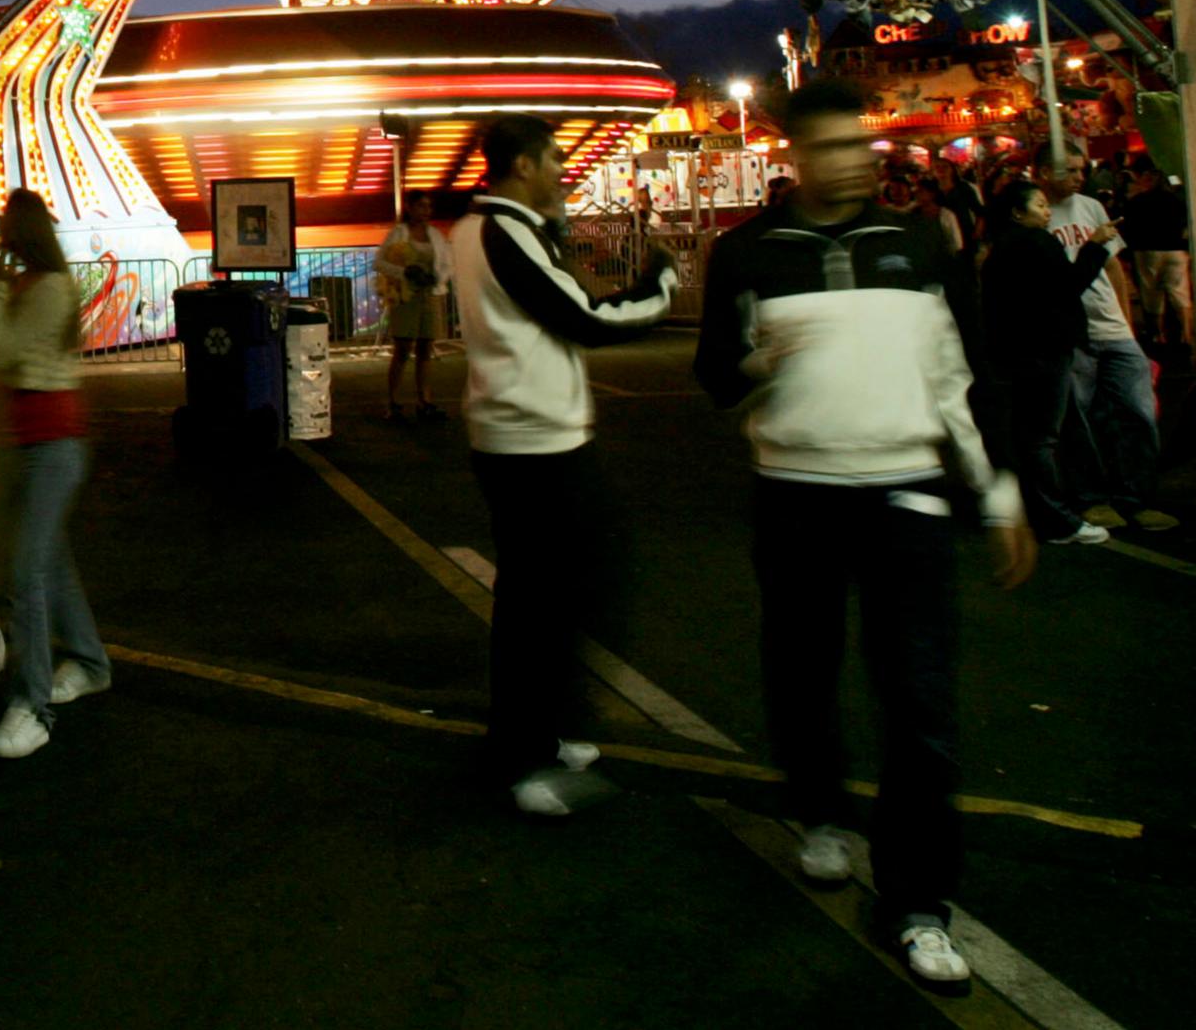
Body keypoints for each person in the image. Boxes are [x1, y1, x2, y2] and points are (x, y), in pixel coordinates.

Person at [695, 79, 1035, 994]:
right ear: (794, 155)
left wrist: (999, 497)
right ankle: (819, 813)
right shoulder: (746, 254)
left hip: (906, 495)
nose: (853, 159)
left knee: (919, 702)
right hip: (794, 493)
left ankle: (920, 903)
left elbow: (964, 373)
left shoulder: (922, 242)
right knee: (801, 665)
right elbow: (716, 378)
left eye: (861, 144)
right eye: (832, 145)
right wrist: (762, 359)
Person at [446, 114, 678, 818]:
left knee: (547, 591)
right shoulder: (502, 230)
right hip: (534, 443)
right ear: (520, 165)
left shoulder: (477, 228)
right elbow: (583, 318)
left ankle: (537, 734)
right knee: (548, 596)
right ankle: (525, 755)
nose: (561, 173)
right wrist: (661, 282)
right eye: (552, 160)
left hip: (524, 435)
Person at [0, 188, 108, 761]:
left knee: (26, 571)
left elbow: (0, 352)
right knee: (49, 563)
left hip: (53, 445)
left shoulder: (49, 288)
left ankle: (33, 704)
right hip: (29, 440)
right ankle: (89, 662)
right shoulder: (34, 286)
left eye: (5, 223)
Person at [1038, 152, 1175, 534]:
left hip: (1113, 328)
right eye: (1072, 170)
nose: (1081, 177)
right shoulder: (1035, 211)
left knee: (1139, 415)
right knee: (1080, 423)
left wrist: (1128, 325)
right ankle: (1092, 498)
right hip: (1072, 333)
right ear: (1046, 171)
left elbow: (1113, 265)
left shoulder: (1092, 207)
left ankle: (1138, 499)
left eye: (1083, 169)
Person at [978, 181, 1118, 546]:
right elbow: (1069, 285)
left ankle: (1045, 511)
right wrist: (1095, 244)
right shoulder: (1037, 242)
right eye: (1040, 205)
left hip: (1013, 353)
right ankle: (1057, 521)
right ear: (1018, 213)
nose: (1047, 211)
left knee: (1032, 435)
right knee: (1040, 438)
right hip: (1044, 351)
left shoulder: (1000, 248)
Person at [377, 193, 449, 420]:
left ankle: (424, 400)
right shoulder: (399, 233)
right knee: (403, 348)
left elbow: (447, 263)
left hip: (429, 293)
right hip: (406, 295)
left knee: (426, 348)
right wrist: (403, 272)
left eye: (429, 206)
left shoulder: (435, 235)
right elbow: (379, 262)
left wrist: (439, 278)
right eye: (421, 206)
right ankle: (393, 400)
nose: (426, 211)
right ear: (410, 208)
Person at [1122, 162, 1193, 349]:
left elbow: (1129, 228)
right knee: (1180, 294)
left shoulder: (1138, 202)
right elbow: (1186, 225)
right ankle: (1186, 335)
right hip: (1176, 250)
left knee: (1152, 293)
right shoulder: (1177, 201)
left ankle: (1158, 335)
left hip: (1148, 251)